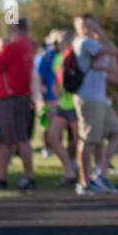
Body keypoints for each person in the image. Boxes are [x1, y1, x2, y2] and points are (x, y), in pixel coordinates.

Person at [72, 14, 118, 195]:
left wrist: (99, 35)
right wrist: (100, 36)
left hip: (99, 97)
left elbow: (111, 59)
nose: (87, 29)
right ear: (77, 28)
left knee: (116, 132)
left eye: (91, 25)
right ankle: (85, 182)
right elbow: (114, 51)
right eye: (83, 26)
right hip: (88, 97)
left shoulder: (94, 43)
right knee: (88, 140)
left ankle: (100, 173)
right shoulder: (84, 43)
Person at [0, 17, 38, 190]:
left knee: (14, 139)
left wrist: (0, 49)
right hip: (20, 96)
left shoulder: (14, 46)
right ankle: (5, 176)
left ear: (15, 29)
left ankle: (23, 176)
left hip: (10, 98)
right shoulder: (28, 45)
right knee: (11, 139)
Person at [38, 30, 78, 184]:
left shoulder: (76, 57)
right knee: (52, 137)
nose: (59, 44)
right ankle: (69, 170)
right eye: (57, 41)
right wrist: (55, 88)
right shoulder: (57, 58)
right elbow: (56, 79)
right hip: (63, 104)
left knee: (78, 141)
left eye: (62, 41)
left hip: (75, 105)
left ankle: (84, 174)